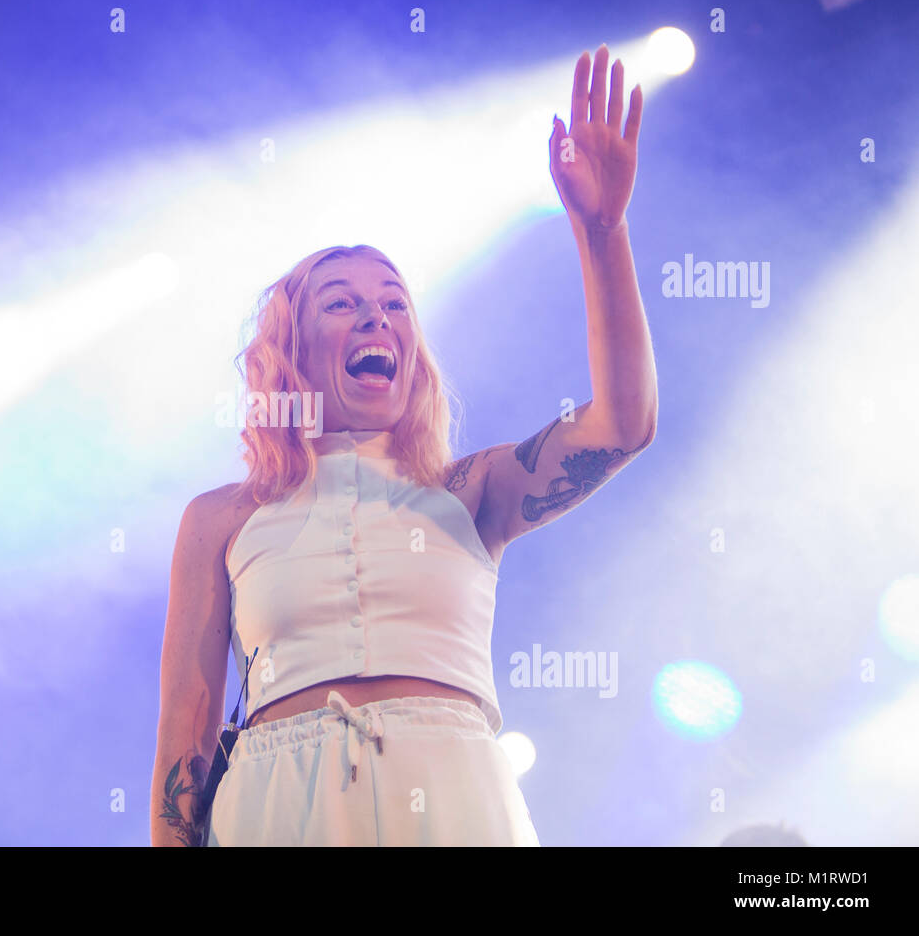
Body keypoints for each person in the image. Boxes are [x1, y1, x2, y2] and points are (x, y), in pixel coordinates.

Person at [151, 45, 657, 846]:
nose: (375, 318)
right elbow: (185, 732)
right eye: (342, 304)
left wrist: (603, 232)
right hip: (278, 807)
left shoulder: (469, 489)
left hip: (453, 795)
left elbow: (622, 426)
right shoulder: (221, 519)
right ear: (292, 347)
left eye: (393, 305)